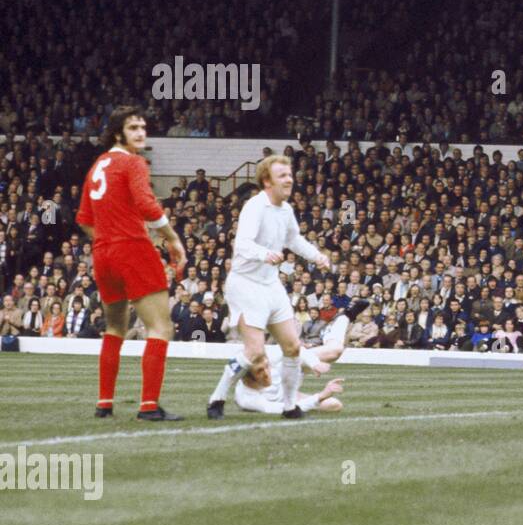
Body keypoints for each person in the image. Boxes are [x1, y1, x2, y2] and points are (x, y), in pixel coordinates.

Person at [75, 106, 187, 421]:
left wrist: (108, 237)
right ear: (117, 133)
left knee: (115, 327)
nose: (140, 132)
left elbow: (84, 219)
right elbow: (147, 205)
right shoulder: (133, 162)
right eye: (133, 127)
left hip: (103, 254)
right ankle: (149, 406)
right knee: (161, 327)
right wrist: (173, 238)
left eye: (143, 127)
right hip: (132, 250)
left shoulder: (99, 164)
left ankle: (104, 403)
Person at [206, 155, 331, 421]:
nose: (289, 179)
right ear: (267, 181)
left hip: (270, 283)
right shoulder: (254, 207)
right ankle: (217, 397)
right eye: (282, 175)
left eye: (289, 174)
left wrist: (317, 256)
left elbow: (293, 239)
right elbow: (242, 245)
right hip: (246, 284)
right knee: (253, 352)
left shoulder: (285, 209)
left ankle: (289, 405)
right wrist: (265, 254)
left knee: (293, 347)